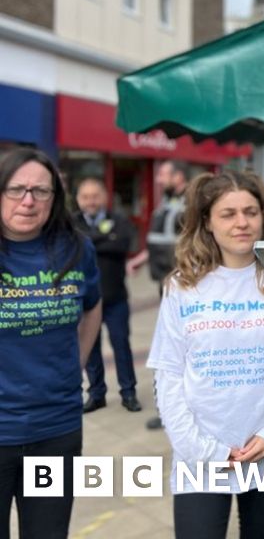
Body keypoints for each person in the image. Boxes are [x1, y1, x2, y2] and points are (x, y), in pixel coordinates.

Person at [146, 170, 264, 538]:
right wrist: (202, 450)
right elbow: (168, 376)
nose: (242, 222)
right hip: (200, 455)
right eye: (228, 214)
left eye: (251, 211)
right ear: (207, 222)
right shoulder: (182, 287)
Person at [0, 147, 102, 537]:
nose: (28, 200)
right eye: (16, 189)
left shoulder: (76, 249)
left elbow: (92, 306)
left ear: (54, 199)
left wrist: (76, 362)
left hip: (55, 429)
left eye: (41, 191)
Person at [75, 176, 142, 413]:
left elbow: (123, 244)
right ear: (78, 199)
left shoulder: (119, 219)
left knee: (121, 345)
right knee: (90, 348)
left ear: (103, 197)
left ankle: (129, 392)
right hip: (85, 301)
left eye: (95, 196)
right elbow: (73, 247)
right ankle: (96, 394)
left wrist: (89, 241)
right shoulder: (72, 223)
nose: (90, 202)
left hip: (115, 299)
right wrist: (105, 239)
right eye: (85, 197)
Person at [134, 159, 190, 430]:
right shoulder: (167, 202)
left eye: (164, 175)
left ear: (178, 176)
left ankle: (176, 411)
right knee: (167, 349)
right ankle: (168, 409)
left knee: (177, 351)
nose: (158, 180)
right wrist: (141, 259)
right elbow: (161, 238)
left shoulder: (190, 204)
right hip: (164, 282)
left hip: (183, 286)